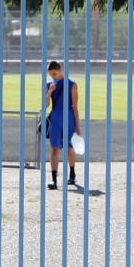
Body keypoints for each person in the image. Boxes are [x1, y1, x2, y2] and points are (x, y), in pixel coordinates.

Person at [44, 61, 80, 190]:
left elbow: (75, 107)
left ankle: (72, 173)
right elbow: (45, 105)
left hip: (69, 118)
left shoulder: (72, 84)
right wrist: (49, 92)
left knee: (69, 147)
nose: (53, 76)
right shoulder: (49, 85)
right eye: (50, 74)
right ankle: (54, 180)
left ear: (60, 70)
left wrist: (78, 126)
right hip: (55, 118)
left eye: (54, 73)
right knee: (55, 148)